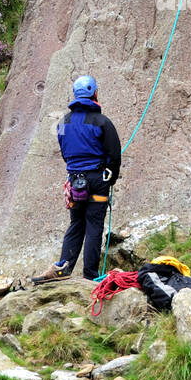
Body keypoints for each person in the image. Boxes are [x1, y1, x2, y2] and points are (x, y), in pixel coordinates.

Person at [45, 75, 121, 281]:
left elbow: (65, 153)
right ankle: (90, 275)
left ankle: (63, 268)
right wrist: (110, 178)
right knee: (94, 224)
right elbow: (114, 156)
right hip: (97, 180)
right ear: (94, 93)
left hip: (75, 182)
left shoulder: (62, 123)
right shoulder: (102, 122)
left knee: (77, 223)